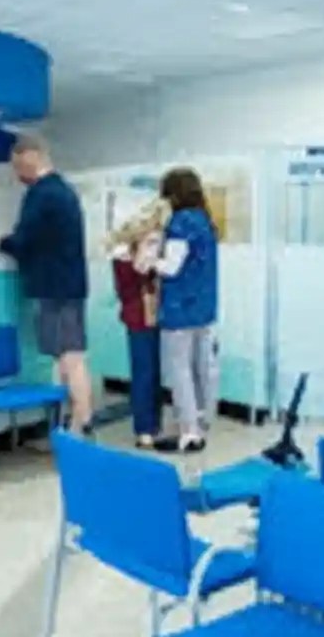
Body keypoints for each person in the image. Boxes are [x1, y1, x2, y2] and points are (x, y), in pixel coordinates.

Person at [0, 134, 92, 434]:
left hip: (55, 287)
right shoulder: (64, 190)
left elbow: (25, 239)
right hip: (71, 284)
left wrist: (0, 243)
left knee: (69, 356)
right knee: (70, 354)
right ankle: (76, 420)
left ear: (31, 156)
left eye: (17, 167)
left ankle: (79, 421)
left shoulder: (41, 194)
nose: (16, 175)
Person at [154, 168, 219, 454]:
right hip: (203, 308)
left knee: (179, 370)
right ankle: (202, 420)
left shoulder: (180, 223)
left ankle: (188, 432)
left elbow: (171, 267)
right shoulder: (205, 221)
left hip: (180, 309)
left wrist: (146, 260)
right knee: (202, 366)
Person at [109, 199, 170, 448]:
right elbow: (133, 281)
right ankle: (145, 427)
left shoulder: (135, 253)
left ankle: (153, 425)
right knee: (145, 372)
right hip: (140, 318)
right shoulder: (124, 257)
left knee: (153, 372)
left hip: (151, 316)